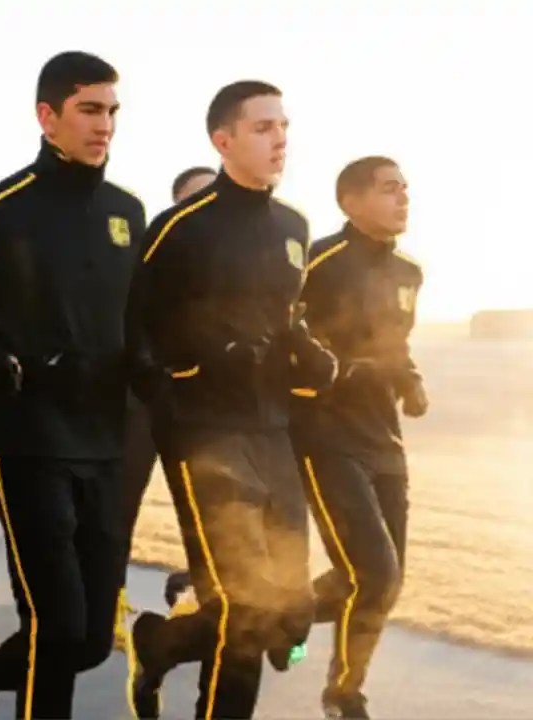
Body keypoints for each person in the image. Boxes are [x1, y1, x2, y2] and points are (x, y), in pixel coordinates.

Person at [124, 80, 336, 720]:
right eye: (264, 128)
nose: (280, 140)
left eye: (284, 126)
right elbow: (135, 331)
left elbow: (286, 317)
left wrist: (309, 354)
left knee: (291, 612)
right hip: (204, 439)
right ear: (224, 141)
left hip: (274, 433)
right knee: (243, 612)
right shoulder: (179, 230)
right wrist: (192, 368)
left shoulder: (293, 226)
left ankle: (160, 643)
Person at [0, 51, 144, 719]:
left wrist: (148, 365)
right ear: (48, 117)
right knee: (57, 625)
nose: (105, 125)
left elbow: (137, 317)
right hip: (28, 443)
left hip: (106, 442)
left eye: (112, 111)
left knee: (94, 637)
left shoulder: (128, 210)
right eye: (90, 110)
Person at [290, 156, 424, 719]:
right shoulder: (316, 262)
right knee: (375, 573)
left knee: (372, 582)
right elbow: (281, 332)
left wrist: (411, 380)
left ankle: (203, 630)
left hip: (384, 442)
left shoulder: (409, 272)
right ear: (351, 202)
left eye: (405, 189)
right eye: (389, 189)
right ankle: (344, 696)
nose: (403, 198)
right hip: (324, 438)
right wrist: (336, 371)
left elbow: (395, 344)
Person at [121, 166, 218, 614]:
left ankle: (196, 592)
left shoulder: (234, 267)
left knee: (204, 515)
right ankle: (109, 603)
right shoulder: (150, 251)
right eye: (192, 200)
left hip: (197, 410)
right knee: (119, 508)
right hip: (141, 401)